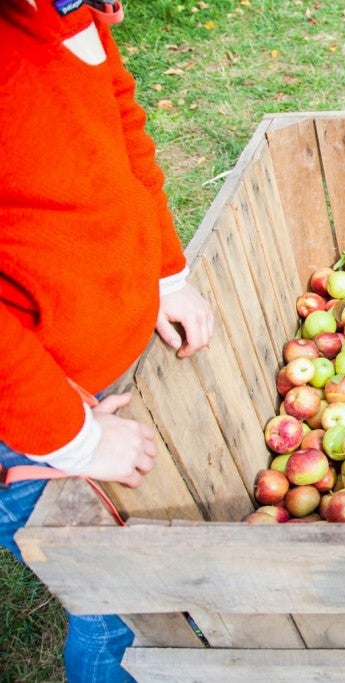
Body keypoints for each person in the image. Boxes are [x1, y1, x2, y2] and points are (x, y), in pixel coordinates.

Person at [0, 1, 215, 680]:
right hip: (28, 417)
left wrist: (165, 274)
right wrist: (73, 436)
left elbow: (120, 131)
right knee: (120, 603)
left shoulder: (69, 13)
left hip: (79, 380)